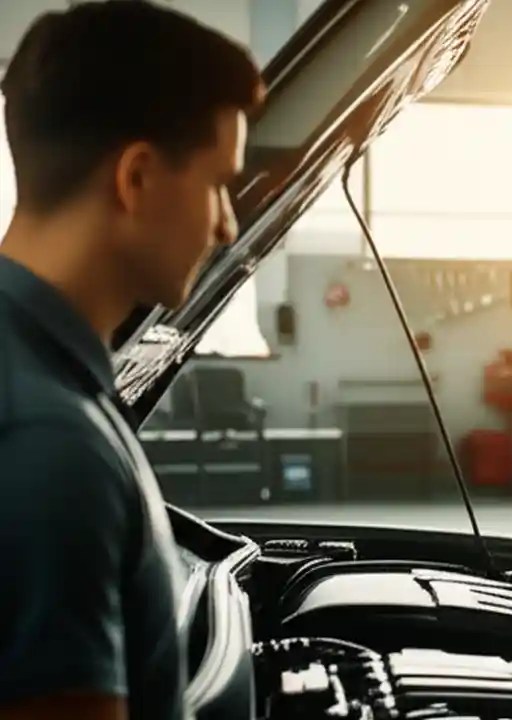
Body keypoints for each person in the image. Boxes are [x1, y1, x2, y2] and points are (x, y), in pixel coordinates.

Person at [0, 3, 263, 719]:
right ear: (138, 178)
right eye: (217, 183)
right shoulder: (53, 445)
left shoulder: (31, 372)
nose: (226, 223)